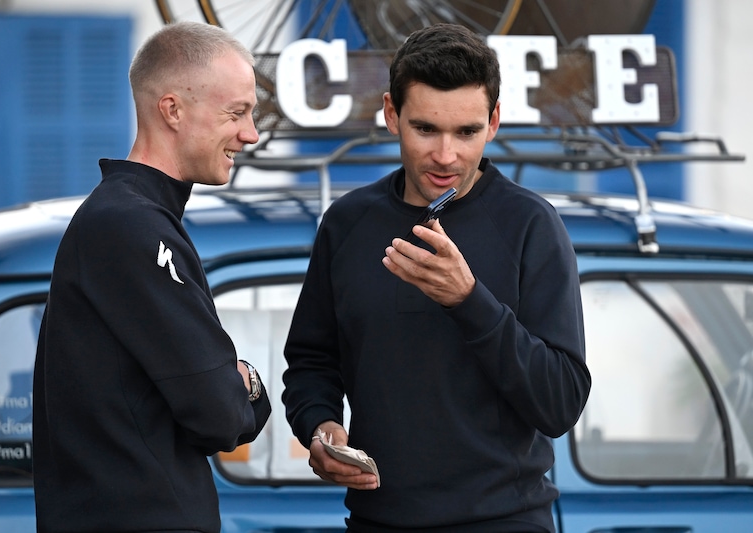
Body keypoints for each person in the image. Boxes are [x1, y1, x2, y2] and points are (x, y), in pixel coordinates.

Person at [282, 23, 591, 533]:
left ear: (493, 122)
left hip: (504, 522)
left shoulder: (531, 225)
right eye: (425, 128)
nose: (446, 156)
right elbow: (312, 360)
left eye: (466, 132)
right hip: (376, 519)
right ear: (390, 114)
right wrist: (319, 426)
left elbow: (559, 403)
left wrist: (469, 299)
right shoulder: (347, 221)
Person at [32, 21, 271, 533]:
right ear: (172, 110)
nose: (251, 133)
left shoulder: (128, 217)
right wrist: (246, 382)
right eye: (237, 113)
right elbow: (223, 416)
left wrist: (235, 378)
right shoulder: (132, 225)